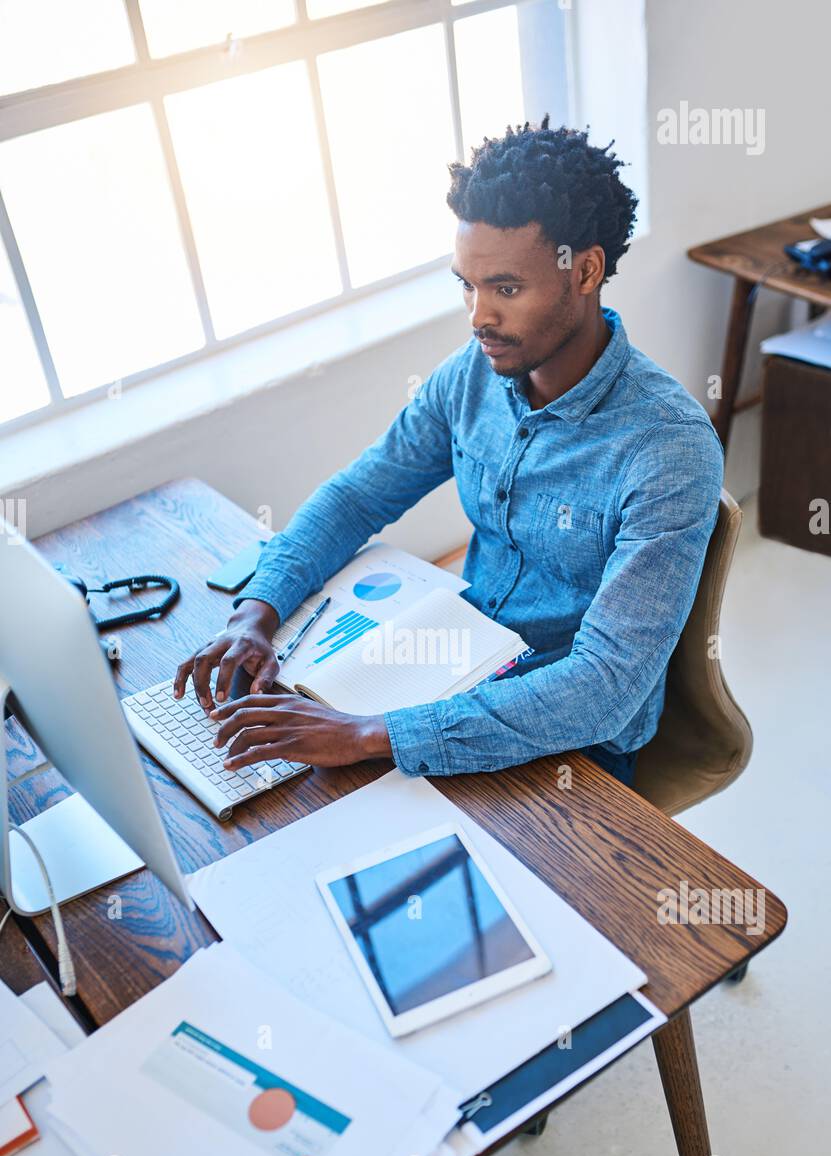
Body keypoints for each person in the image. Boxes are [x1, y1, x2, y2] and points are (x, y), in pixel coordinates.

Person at [174, 117, 723, 790]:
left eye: (505, 288)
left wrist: (368, 736)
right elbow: (358, 495)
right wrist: (256, 612)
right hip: (449, 659)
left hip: (567, 742)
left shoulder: (668, 449)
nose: (477, 316)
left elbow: (604, 686)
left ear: (584, 271)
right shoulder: (472, 374)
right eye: (466, 284)